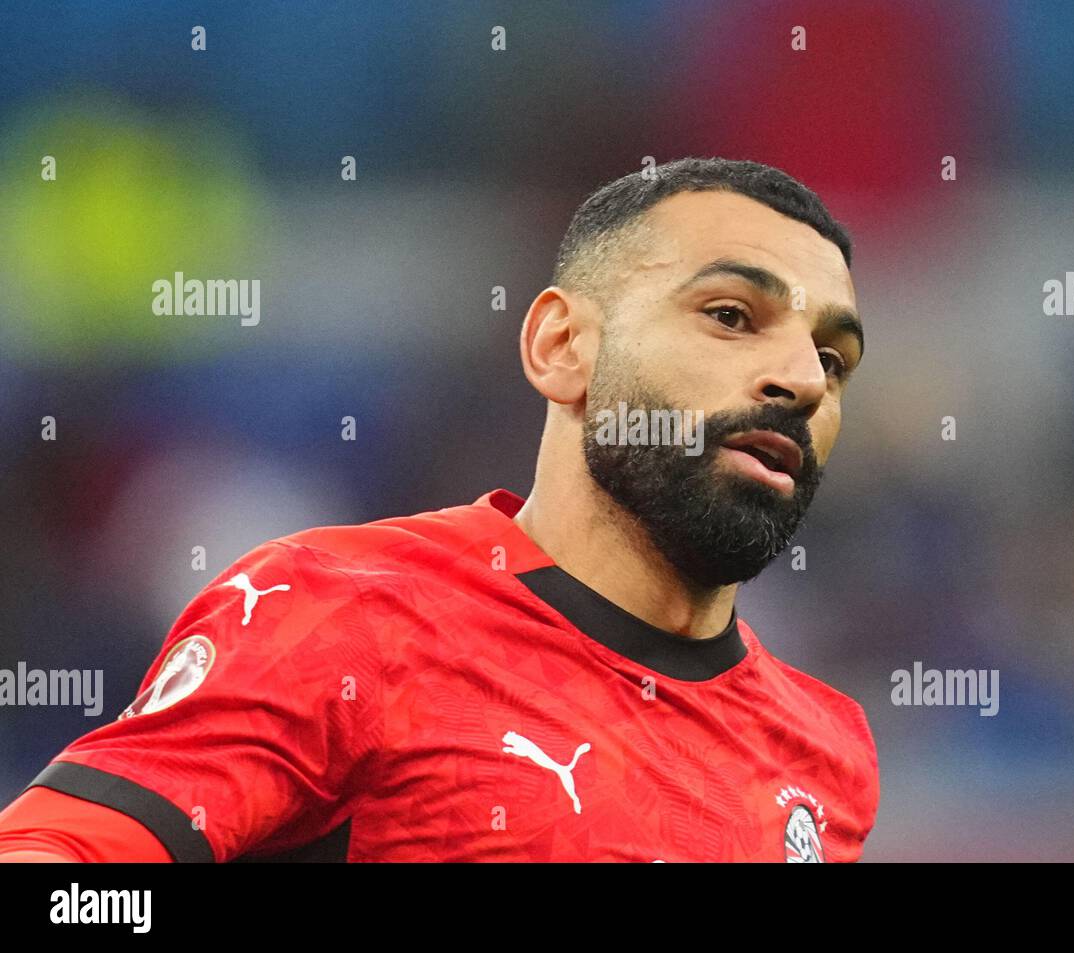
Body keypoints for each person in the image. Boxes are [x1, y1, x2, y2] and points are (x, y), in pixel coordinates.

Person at [0, 157, 878, 862]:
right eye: (730, 314)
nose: (802, 380)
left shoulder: (826, 753)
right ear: (562, 346)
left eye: (833, 359)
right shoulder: (344, 613)